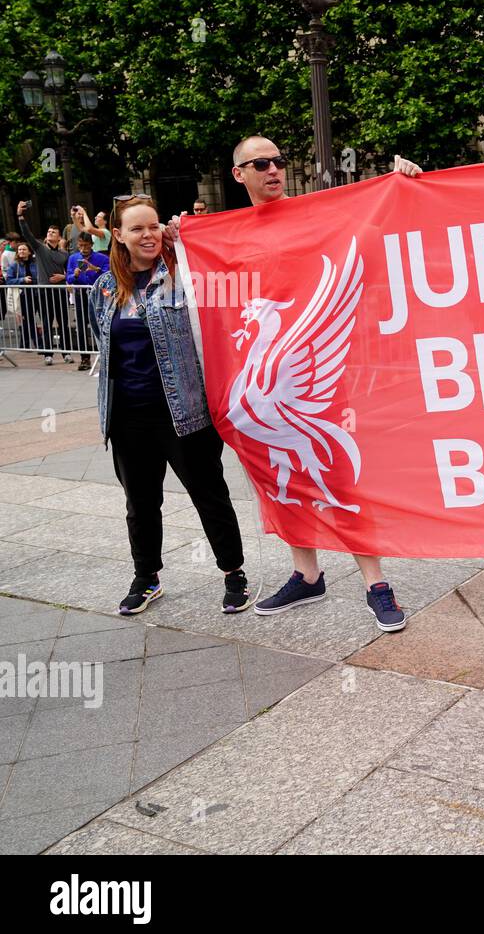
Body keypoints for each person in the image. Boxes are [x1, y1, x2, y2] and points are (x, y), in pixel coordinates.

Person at [221, 135, 421, 631]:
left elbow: (368, 232)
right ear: (238, 174)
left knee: (339, 483)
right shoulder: (226, 232)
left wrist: (399, 187)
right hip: (258, 384)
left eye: (280, 161)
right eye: (261, 163)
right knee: (280, 479)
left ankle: (376, 583)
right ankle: (306, 576)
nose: (274, 169)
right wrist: (183, 234)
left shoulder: (313, 212)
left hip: (311, 382)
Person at [91, 195, 251, 616]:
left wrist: (186, 247)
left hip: (185, 411)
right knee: (140, 503)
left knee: (209, 494)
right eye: (137, 228)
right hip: (127, 416)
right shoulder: (105, 288)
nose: (148, 235)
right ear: (119, 236)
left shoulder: (185, 275)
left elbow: (230, 290)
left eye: (154, 226)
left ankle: (233, 572)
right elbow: (104, 347)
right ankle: (146, 578)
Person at [15, 203, 72, 364]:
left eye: (53, 232)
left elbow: (71, 272)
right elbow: (27, 235)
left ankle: (66, 352)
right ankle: (48, 354)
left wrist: (63, 277)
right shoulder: (40, 248)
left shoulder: (64, 254)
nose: (50, 233)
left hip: (60, 291)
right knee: (47, 322)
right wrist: (21, 216)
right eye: (48, 231)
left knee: (63, 323)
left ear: (59, 237)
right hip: (45, 291)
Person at [67, 231, 110, 369]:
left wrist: (95, 269)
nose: (83, 249)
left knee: (101, 324)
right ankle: (85, 359)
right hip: (80, 294)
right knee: (81, 326)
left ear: (91, 244)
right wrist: (74, 275)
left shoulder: (102, 258)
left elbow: (108, 276)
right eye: (80, 246)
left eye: (86, 246)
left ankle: (105, 356)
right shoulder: (73, 258)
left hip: (98, 295)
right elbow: (68, 278)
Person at [4, 242, 39, 344]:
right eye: (19, 250)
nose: (21, 251)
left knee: (32, 319)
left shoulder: (36, 263)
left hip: (36, 294)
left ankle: (28, 342)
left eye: (24, 249)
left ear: (29, 252)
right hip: (22, 296)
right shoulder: (14, 265)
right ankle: (31, 342)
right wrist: (22, 279)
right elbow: (9, 280)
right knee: (27, 319)